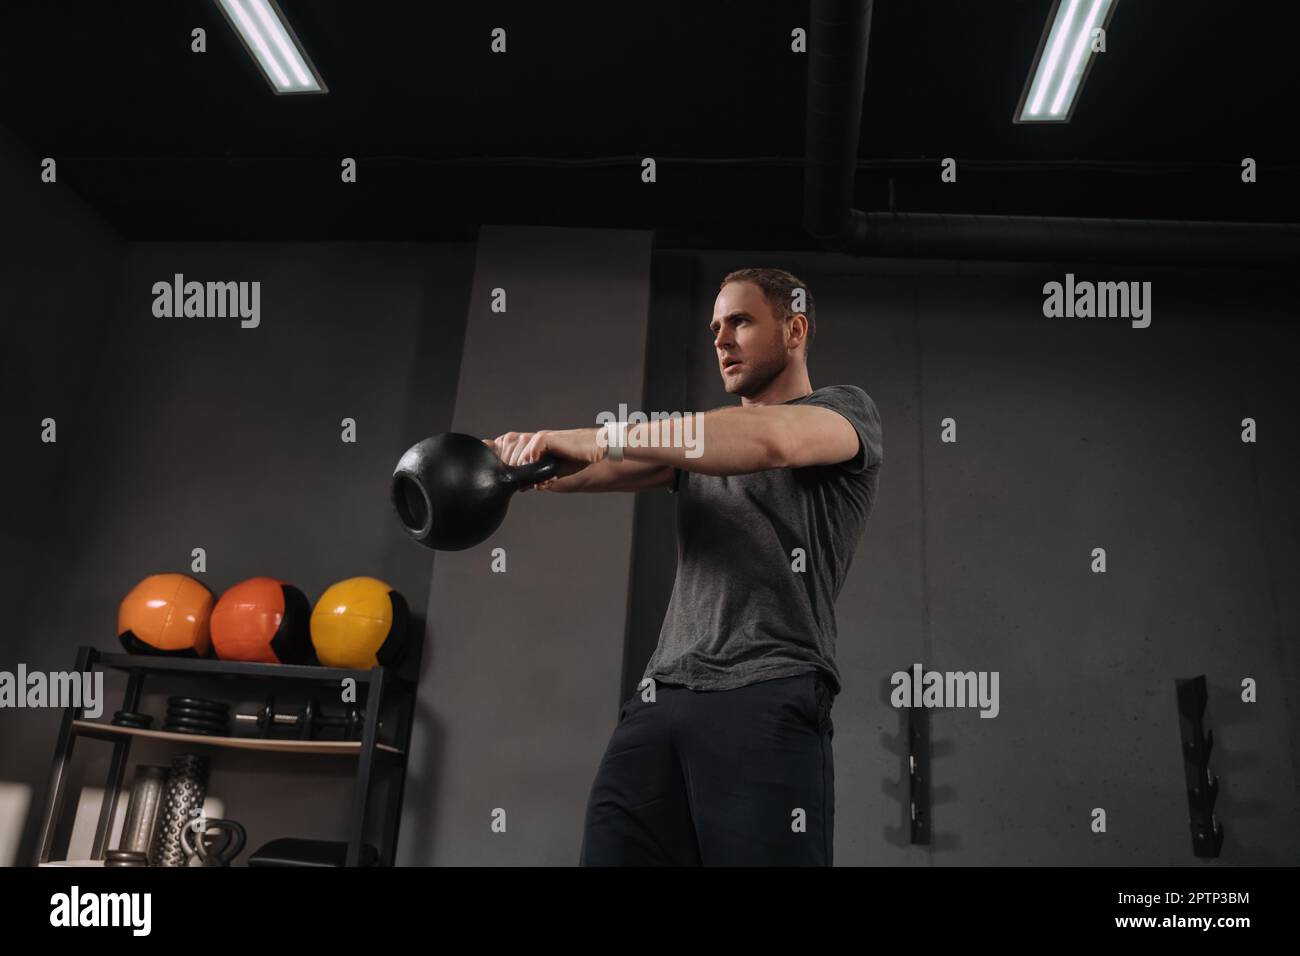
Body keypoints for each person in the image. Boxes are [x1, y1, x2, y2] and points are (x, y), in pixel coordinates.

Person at [485, 267, 884, 865]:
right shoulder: (695, 445)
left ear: (794, 329)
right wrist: (505, 462)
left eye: (741, 322)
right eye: (716, 327)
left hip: (766, 690)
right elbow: (587, 469)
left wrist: (593, 437)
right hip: (661, 697)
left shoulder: (842, 413)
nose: (721, 339)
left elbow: (769, 443)